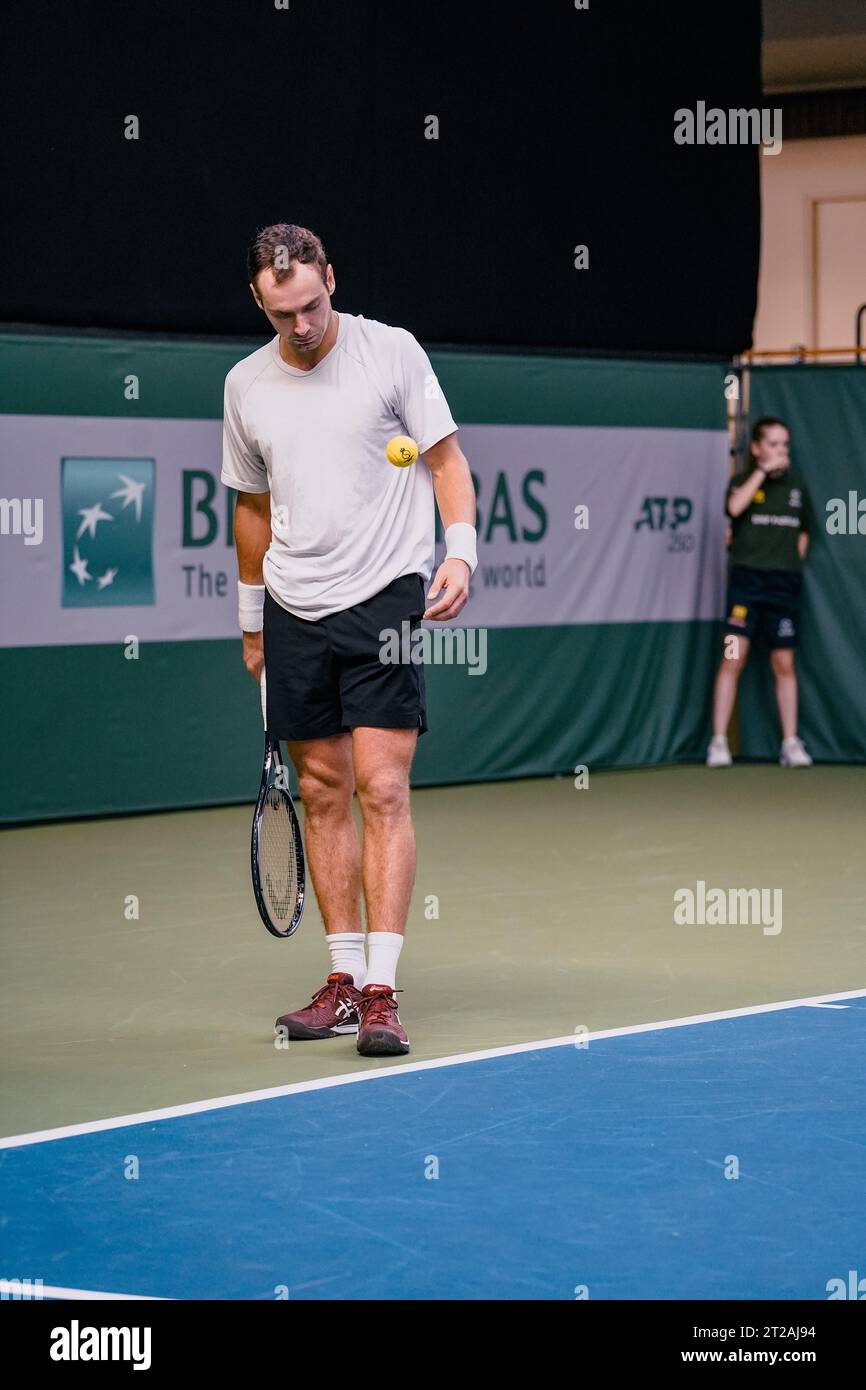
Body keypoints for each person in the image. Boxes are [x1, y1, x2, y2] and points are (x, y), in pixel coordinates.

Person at [221, 223, 476, 1055]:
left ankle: (380, 991)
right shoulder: (245, 387)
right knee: (324, 792)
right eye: (281, 313)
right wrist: (253, 622)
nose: (301, 325)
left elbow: (445, 461)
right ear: (260, 303)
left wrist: (461, 551)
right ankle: (339, 980)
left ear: (331, 276)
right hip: (294, 607)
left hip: (387, 597)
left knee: (383, 787)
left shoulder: (391, 352)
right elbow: (251, 510)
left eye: (312, 304)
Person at [707, 416, 813, 769]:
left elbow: (803, 535)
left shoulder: (798, 488)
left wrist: (786, 563)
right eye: (773, 444)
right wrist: (761, 473)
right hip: (745, 585)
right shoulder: (741, 482)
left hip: (783, 586)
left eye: (785, 445)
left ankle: (790, 743)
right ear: (756, 448)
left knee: (784, 662)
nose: (780, 451)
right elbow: (733, 509)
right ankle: (719, 742)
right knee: (732, 657)